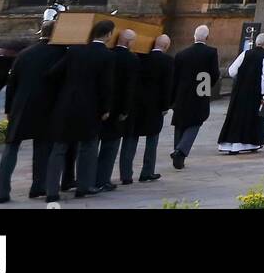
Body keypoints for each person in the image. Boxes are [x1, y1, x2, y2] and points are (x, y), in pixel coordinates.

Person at [45, 19, 115, 201]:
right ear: (108, 34)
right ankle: (83, 187)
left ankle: (51, 191)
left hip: (66, 104)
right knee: (88, 147)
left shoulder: (75, 50)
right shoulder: (107, 56)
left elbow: (53, 73)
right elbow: (106, 85)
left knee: (59, 148)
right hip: (90, 107)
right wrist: (106, 108)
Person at [0, 22, 65, 203]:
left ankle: (1, 192)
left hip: (21, 106)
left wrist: (9, 109)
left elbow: (12, 84)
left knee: (11, 148)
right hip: (47, 107)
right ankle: (38, 186)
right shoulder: (61, 54)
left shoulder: (24, 54)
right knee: (43, 148)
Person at [121, 33, 173, 184]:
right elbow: (167, 85)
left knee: (131, 138)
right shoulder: (167, 61)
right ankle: (147, 171)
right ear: (166, 46)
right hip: (154, 105)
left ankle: (126, 174)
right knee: (152, 139)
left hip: (135, 104)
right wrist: (165, 106)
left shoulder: (139, 57)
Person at [94, 29, 139, 191]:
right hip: (118, 108)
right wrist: (125, 110)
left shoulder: (107, 53)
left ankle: (89, 177)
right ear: (128, 42)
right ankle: (102, 179)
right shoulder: (132, 59)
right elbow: (129, 88)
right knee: (110, 146)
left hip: (100, 106)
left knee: (93, 144)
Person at [170, 25, 220, 170]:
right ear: (207, 37)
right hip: (200, 92)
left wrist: (172, 98)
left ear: (194, 36)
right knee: (196, 121)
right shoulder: (210, 52)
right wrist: (206, 86)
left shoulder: (181, 54)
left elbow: (175, 77)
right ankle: (180, 151)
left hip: (181, 94)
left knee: (180, 123)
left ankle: (178, 155)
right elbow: (214, 74)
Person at [217, 33, 264, 154]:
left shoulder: (245, 53)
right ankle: (248, 143)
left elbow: (232, 71)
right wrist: (263, 94)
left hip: (239, 91)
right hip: (254, 93)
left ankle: (229, 144)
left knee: (236, 117)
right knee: (250, 118)